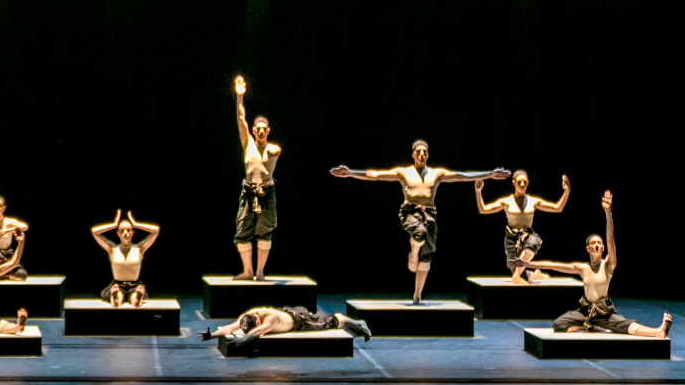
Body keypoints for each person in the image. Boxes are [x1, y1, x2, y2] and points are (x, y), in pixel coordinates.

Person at [330, 140, 509, 304]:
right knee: (419, 233)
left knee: (426, 258)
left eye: (425, 152)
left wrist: (490, 175)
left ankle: (417, 295)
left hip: (429, 215)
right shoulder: (404, 172)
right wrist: (350, 173)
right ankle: (413, 252)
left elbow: (463, 176)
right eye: (418, 152)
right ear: (413, 155)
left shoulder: (437, 173)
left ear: (428, 155)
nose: (422, 154)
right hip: (409, 212)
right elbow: (376, 175)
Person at [518, 191, 672, 338]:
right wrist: (526, 263)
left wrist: (607, 212)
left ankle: (659, 331)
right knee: (559, 324)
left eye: (600, 243)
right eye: (594, 243)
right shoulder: (583, 268)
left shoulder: (608, 265)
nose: (597, 245)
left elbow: (610, 238)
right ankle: (588, 325)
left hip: (604, 313)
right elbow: (553, 265)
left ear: (603, 248)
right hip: (585, 311)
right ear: (588, 248)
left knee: (626, 326)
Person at [475, 172, 570, 283]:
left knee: (533, 243)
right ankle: (535, 275)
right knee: (520, 272)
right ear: (514, 183)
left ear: (528, 183)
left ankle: (516, 278)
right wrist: (478, 191)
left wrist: (566, 191)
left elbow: (557, 208)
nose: (522, 184)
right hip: (512, 239)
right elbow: (483, 210)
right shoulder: (507, 202)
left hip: (528, 235)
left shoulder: (533, 201)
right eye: (519, 182)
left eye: (524, 182)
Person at [232, 76, 281, 281]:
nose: (261, 131)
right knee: (242, 229)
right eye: (257, 128)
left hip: (266, 193)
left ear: (268, 131)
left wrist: (274, 153)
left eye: (264, 129)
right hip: (248, 192)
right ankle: (248, 271)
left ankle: (260, 272)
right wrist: (240, 96)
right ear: (254, 131)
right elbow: (241, 118)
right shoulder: (248, 144)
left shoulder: (272, 148)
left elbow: (277, 150)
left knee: (265, 230)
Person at [198, 306, 372, 346]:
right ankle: (354, 323)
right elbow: (230, 327)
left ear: (257, 321)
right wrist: (210, 335)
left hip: (300, 320)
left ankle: (357, 323)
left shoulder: (269, 319)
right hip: (287, 312)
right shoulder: (249, 315)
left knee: (331, 322)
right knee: (329, 322)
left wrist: (242, 341)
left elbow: (257, 332)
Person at [92, 209, 160, 308]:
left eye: (128, 230)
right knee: (116, 303)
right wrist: (114, 224)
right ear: (118, 234)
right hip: (117, 285)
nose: (125, 233)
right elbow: (95, 232)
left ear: (132, 233)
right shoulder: (112, 250)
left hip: (134, 286)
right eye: (122, 231)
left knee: (135, 303)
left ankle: (137, 296)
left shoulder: (139, 249)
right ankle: (115, 296)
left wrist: (135, 224)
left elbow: (156, 230)